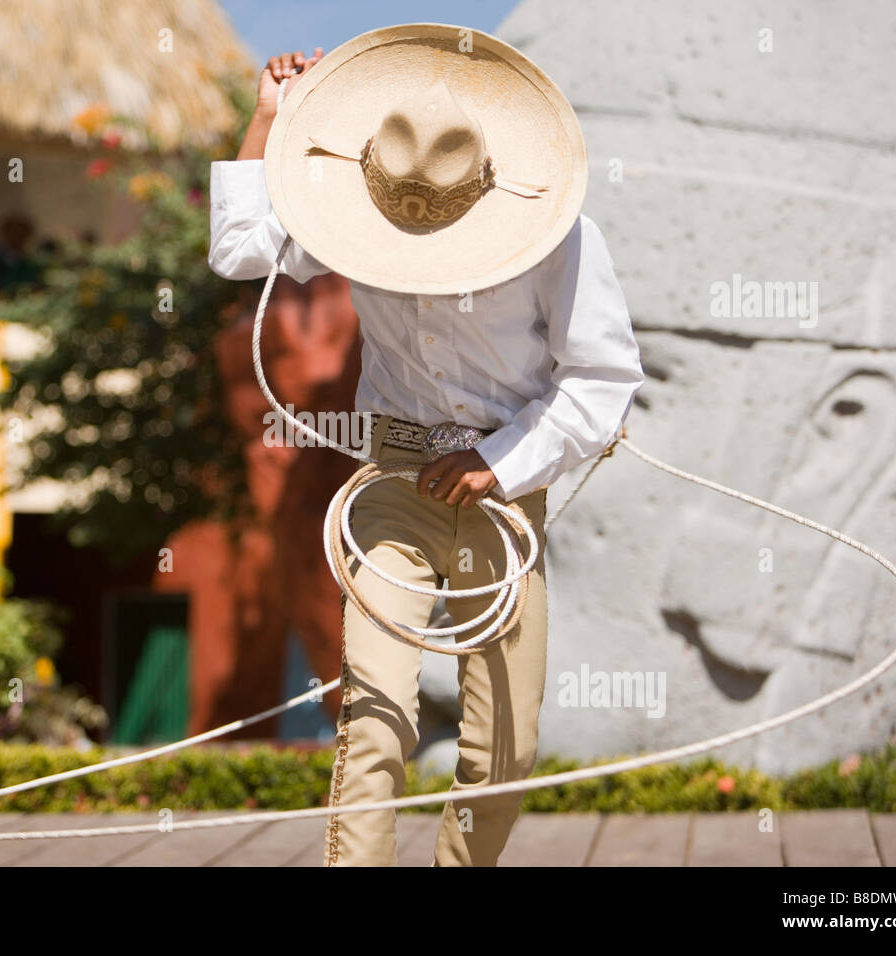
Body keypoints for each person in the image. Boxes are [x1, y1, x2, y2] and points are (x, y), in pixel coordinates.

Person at [207, 24, 645, 866]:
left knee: (505, 748)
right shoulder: (349, 213)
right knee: (373, 719)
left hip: (502, 497)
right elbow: (237, 250)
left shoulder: (560, 233)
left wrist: (498, 462)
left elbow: (602, 376)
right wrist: (267, 119)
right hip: (393, 487)